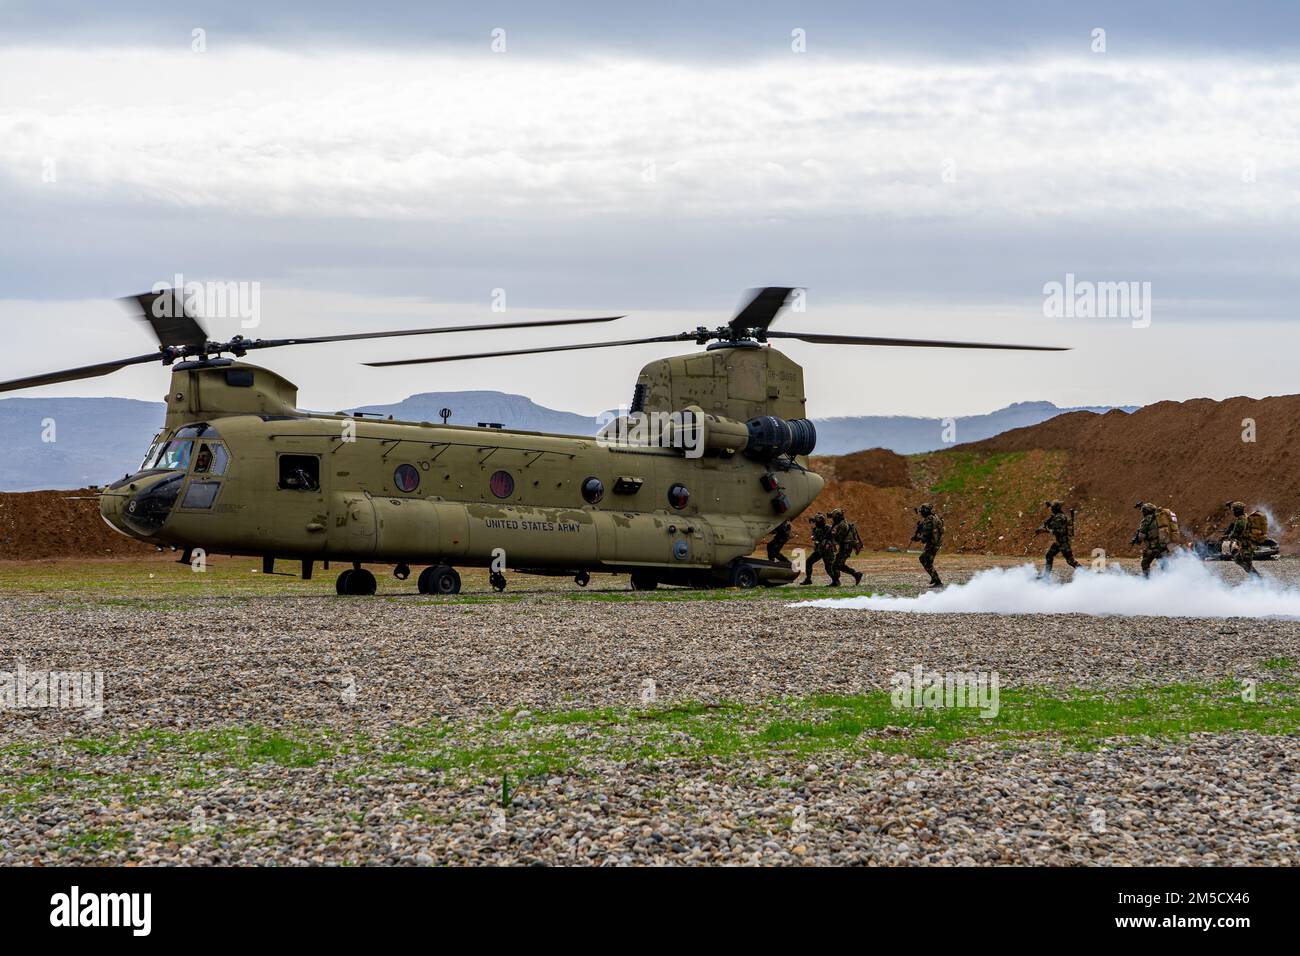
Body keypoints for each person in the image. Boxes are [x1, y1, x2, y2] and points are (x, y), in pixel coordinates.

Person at [1035, 500, 1080, 578]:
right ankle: (1046, 577)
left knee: (1071, 561)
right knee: (1049, 555)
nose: (1051, 509)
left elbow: (1058, 531)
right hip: (1060, 542)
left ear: (1055, 509)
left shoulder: (1059, 518)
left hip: (1063, 542)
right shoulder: (1058, 516)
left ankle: (1086, 574)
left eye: (1052, 508)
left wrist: (1045, 530)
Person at [909, 503, 944, 587]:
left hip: (932, 544)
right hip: (937, 543)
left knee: (923, 560)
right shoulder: (935, 517)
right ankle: (934, 577)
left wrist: (916, 537)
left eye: (922, 512)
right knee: (929, 561)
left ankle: (937, 581)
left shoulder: (929, 520)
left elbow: (924, 538)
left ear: (925, 511)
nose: (921, 513)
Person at [1224, 500, 1261, 577]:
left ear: (1237, 511)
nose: (1233, 512)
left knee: (1245, 564)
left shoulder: (1240, 522)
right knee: (1241, 561)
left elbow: (1234, 535)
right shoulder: (1245, 517)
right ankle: (1257, 580)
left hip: (1245, 546)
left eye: (1234, 510)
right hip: (1248, 544)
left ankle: (1260, 582)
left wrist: (1229, 534)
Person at [828, 508, 864, 587]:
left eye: (834, 517)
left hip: (846, 547)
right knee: (836, 565)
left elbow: (839, 538)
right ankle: (836, 581)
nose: (833, 519)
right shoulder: (840, 523)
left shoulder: (842, 524)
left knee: (837, 565)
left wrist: (833, 539)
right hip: (844, 547)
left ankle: (856, 574)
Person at [1130, 501, 1167, 577]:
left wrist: (1136, 540)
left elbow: (1141, 536)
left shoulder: (1146, 520)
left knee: (1145, 563)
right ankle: (1168, 579)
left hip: (1153, 547)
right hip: (1163, 546)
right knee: (1163, 564)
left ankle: (1147, 580)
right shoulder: (1159, 518)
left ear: (1145, 512)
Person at [801, 513, 831, 585]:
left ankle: (835, 580)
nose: (815, 523)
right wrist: (815, 539)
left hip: (827, 551)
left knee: (828, 567)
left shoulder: (828, 528)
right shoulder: (816, 529)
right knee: (808, 562)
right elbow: (814, 537)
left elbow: (831, 539)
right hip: (819, 550)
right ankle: (808, 579)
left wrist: (826, 543)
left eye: (816, 522)